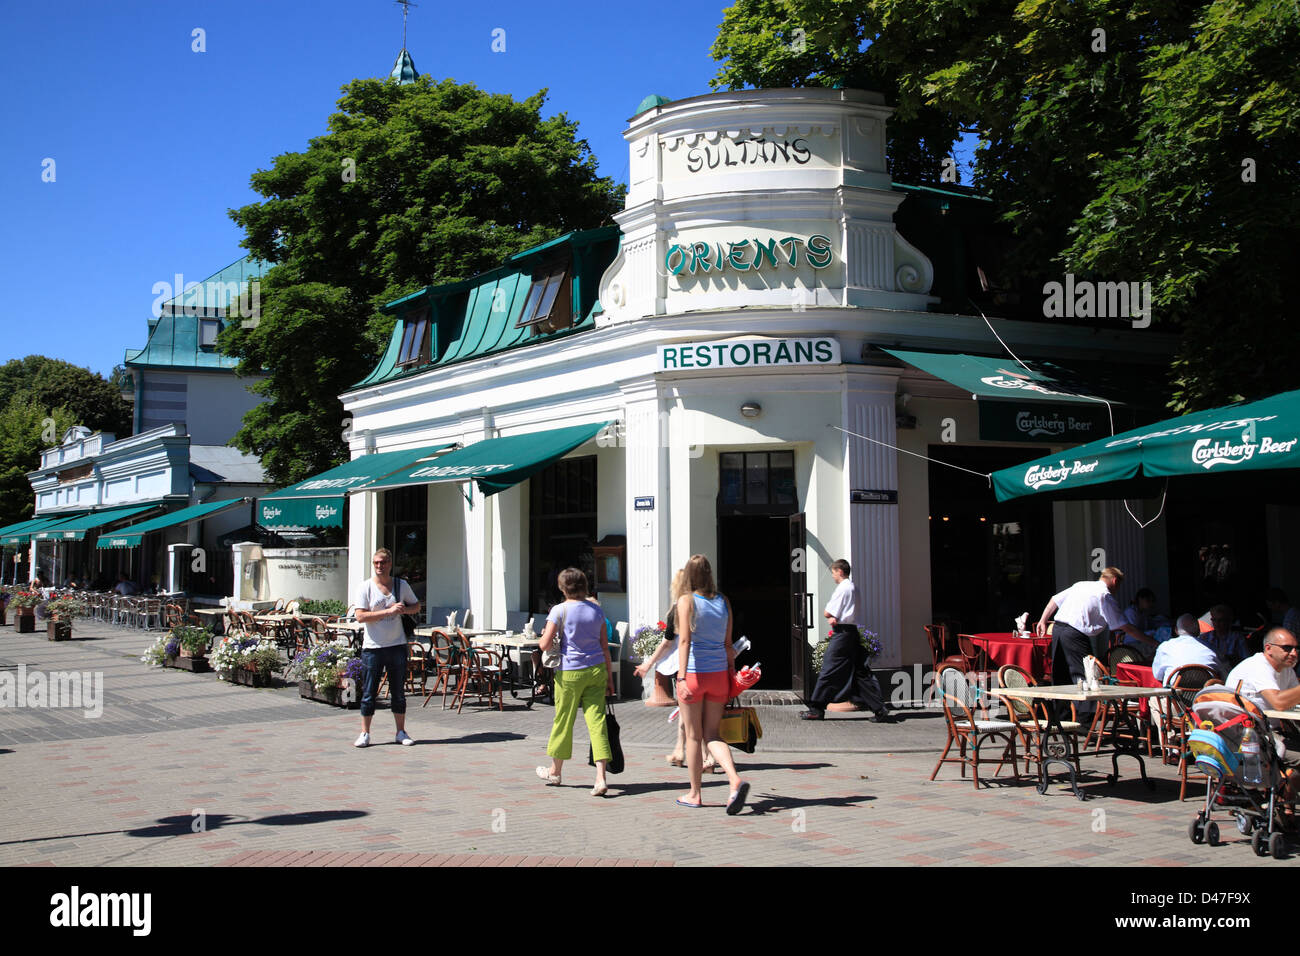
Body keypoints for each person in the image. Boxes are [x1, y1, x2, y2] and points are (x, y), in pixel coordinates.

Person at [674, 554, 748, 813]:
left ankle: (695, 794)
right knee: (713, 734)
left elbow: (684, 641)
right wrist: (731, 674)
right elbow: (729, 645)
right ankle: (733, 779)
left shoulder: (686, 601)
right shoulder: (723, 601)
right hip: (718, 674)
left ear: (689, 575)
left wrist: (681, 677)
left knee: (693, 737)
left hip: (694, 674)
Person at [535, 568, 614, 797]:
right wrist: (609, 678)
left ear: (562, 587)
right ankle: (600, 778)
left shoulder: (559, 610)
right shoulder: (596, 611)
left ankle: (555, 771)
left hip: (570, 671)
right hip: (597, 669)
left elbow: (544, 644)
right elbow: (604, 646)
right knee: (597, 721)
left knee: (563, 719)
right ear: (584, 586)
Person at [633, 569, 721, 773]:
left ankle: (700, 756)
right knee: (692, 713)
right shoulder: (711, 605)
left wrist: (648, 664)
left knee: (691, 713)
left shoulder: (679, 607)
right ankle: (684, 751)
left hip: (685, 668)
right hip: (711, 667)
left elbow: (667, 642)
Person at [1035, 567, 1150, 720]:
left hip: (1058, 629)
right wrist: (1151, 641)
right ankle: (1085, 719)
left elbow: (1054, 600)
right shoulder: (1104, 595)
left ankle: (1062, 716)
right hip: (1075, 633)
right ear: (1115, 581)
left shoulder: (1081, 585)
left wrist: (1043, 620)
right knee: (1085, 674)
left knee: (1060, 673)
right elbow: (1125, 626)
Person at [800, 558, 893, 722]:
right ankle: (879, 709)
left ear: (840, 571)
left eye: (834, 573)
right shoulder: (854, 588)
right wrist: (837, 616)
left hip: (842, 635)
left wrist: (832, 616)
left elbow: (827, 612)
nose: (833, 576)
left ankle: (816, 708)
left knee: (829, 669)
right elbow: (844, 611)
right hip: (852, 632)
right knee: (860, 672)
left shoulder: (842, 588)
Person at [351, 547, 420, 748]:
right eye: (376, 563)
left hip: (397, 645)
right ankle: (365, 733)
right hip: (373, 647)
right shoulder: (365, 587)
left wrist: (403, 610)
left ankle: (401, 731)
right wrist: (389, 611)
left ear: (390, 564)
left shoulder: (401, 585)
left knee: (398, 691)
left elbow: (416, 606)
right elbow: (360, 616)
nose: (379, 566)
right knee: (369, 691)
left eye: (383, 562)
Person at [1224, 628, 1300, 771]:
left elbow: (1295, 701)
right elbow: (1279, 703)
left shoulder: (1286, 669)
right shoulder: (1258, 666)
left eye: (1297, 648)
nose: (1294, 653)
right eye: (1287, 648)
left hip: (1271, 731)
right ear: (1268, 648)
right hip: (1249, 736)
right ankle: (1283, 790)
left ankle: (1285, 791)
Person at [1151, 614, 1221, 685]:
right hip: (1205, 693)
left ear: (1176, 630)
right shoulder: (1211, 648)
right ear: (1198, 630)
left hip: (1174, 693)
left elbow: (1158, 676)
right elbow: (1221, 672)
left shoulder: (1164, 647)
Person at [1201, 604, 1249, 672]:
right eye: (1214, 620)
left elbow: (1246, 661)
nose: (1217, 623)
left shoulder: (1238, 638)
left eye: (1221, 620)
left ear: (1229, 621)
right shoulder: (1204, 638)